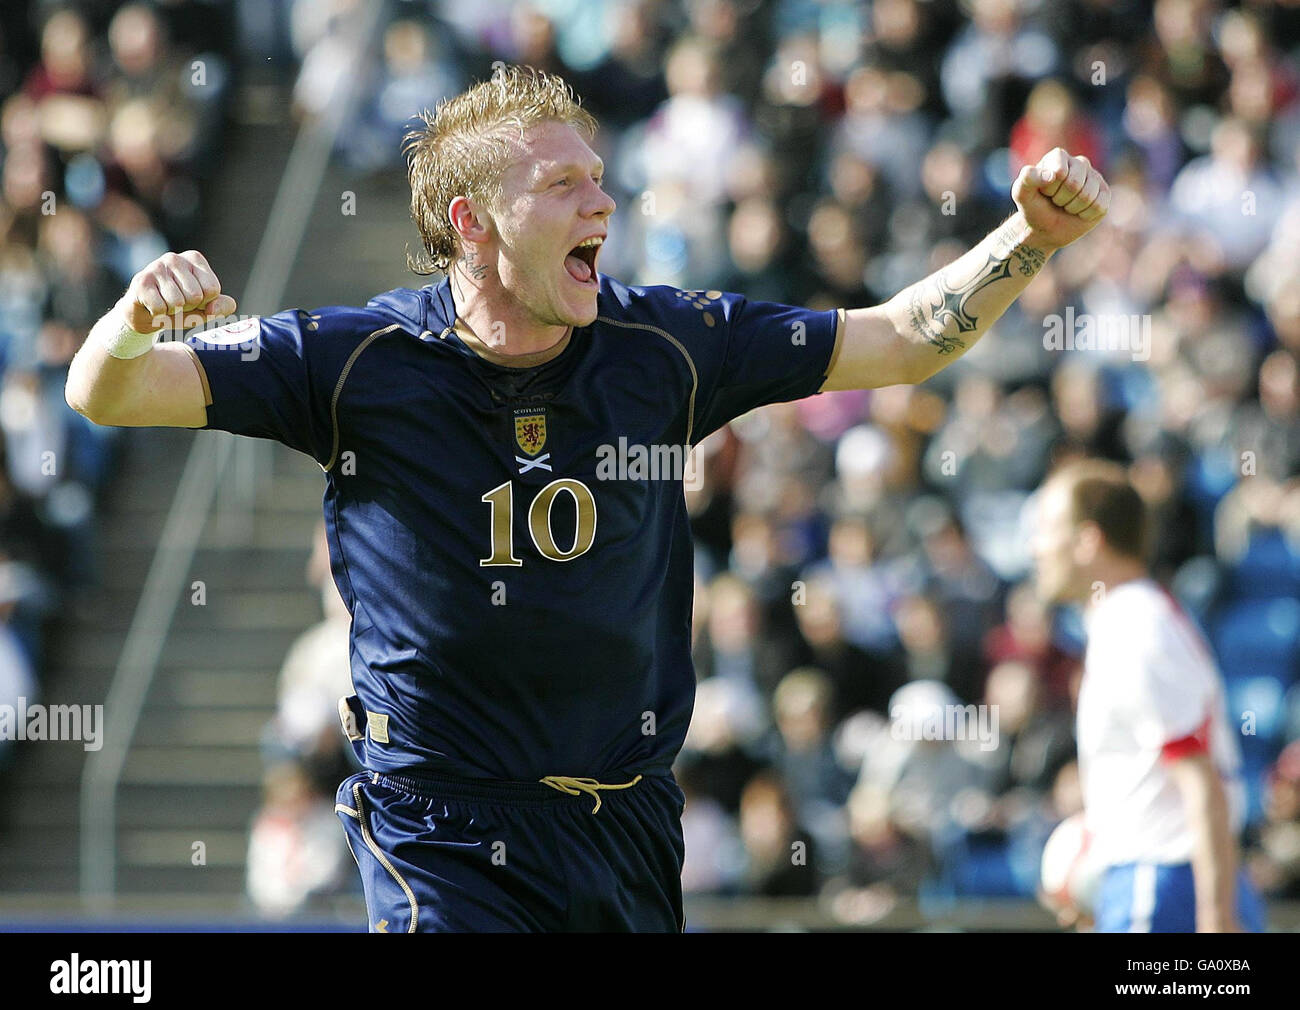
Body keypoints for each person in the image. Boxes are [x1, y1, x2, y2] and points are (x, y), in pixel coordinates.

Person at [64, 65, 1109, 933]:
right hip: (443, 828)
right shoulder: (353, 362)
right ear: (473, 222)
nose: (602, 203)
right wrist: (133, 318)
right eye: (563, 184)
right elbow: (105, 393)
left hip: (628, 826)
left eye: (598, 179)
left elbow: (900, 341)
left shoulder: (666, 344)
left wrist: (1027, 243)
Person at [1031, 458, 1265, 932]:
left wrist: (1215, 919)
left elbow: (1200, 778)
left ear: (1088, 540)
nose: (1035, 547)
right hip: (1158, 884)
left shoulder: (1133, 628)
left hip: (1163, 887)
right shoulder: (1130, 621)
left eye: (1047, 528)